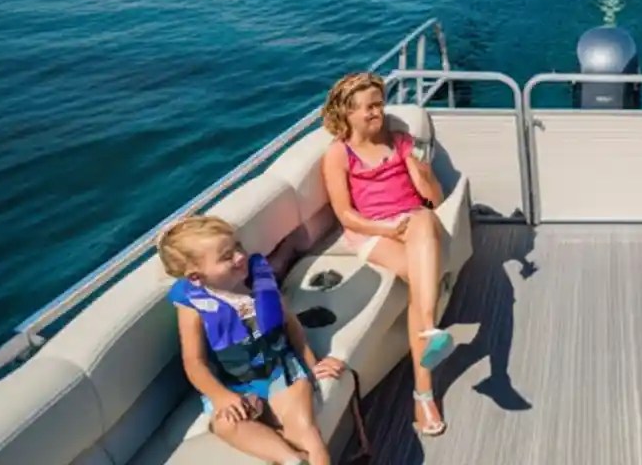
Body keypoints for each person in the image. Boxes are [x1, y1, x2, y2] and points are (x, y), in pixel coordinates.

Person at [319, 71, 453, 437]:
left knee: (422, 218)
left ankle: (427, 346)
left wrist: (424, 174)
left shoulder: (400, 142)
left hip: (415, 223)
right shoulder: (338, 154)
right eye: (368, 107)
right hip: (373, 232)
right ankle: (423, 392)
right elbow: (346, 215)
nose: (377, 112)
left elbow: (433, 201)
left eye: (379, 104)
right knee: (422, 288)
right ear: (346, 112)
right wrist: (385, 230)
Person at [158, 216, 344, 465]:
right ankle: (292, 460)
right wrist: (221, 396)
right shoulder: (192, 305)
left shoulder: (259, 280)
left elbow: (290, 324)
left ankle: (302, 458)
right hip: (234, 385)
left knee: (307, 433)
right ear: (195, 277)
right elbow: (194, 362)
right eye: (226, 256)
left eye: (238, 246)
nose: (239, 257)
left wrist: (312, 364)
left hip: (279, 370)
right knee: (225, 425)